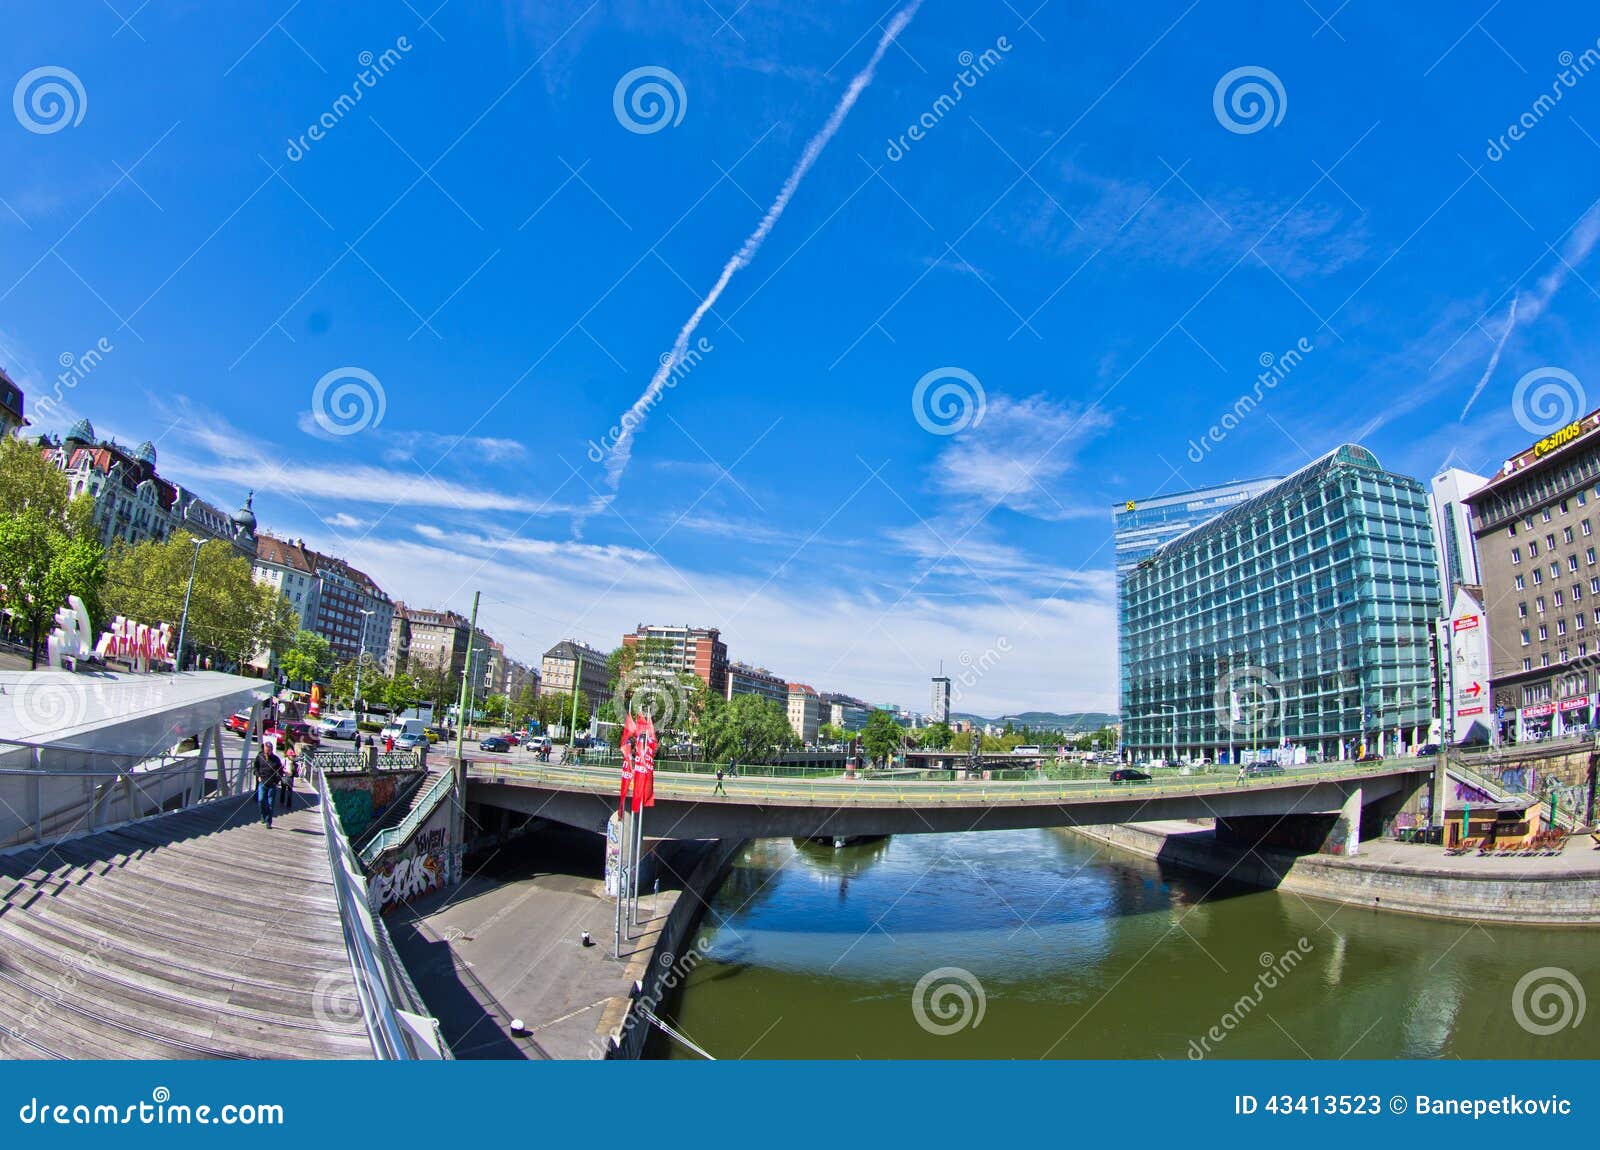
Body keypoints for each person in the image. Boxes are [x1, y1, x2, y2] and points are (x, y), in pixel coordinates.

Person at [253, 744, 283, 828]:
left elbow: (280, 772)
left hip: (272, 784)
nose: (266, 752)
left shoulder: (276, 759)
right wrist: (258, 775)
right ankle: (263, 815)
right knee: (261, 800)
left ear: (271, 750)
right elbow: (255, 767)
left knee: (270, 803)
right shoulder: (260, 756)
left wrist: (276, 781)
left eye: (268, 751)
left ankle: (268, 822)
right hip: (262, 781)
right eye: (265, 750)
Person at [279, 746, 297, 811]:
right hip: (284, 776)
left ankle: (289, 804)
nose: (292, 757)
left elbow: (296, 769)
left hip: (290, 777)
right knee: (283, 789)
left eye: (293, 756)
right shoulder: (284, 760)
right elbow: (280, 767)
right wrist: (284, 771)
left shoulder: (294, 762)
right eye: (291, 755)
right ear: (288, 755)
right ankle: (282, 802)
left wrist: (295, 770)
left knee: (290, 790)